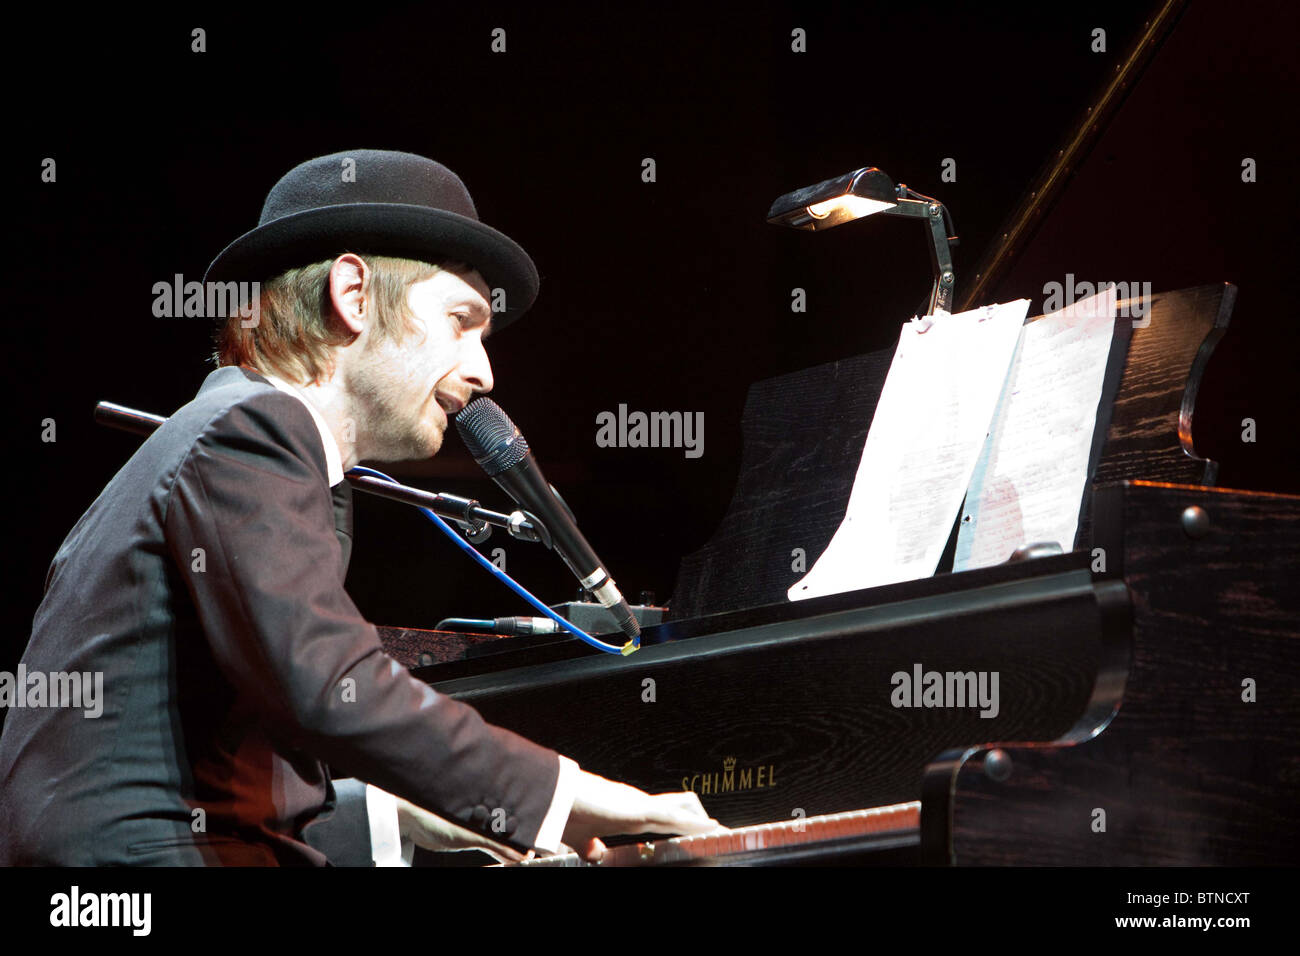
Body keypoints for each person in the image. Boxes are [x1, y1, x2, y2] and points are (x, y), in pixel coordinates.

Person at [0, 149, 715, 865]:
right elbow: (332, 687)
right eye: (461, 321)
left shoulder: (252, 438)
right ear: (353, 294)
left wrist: (391, 814)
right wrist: (600, 796)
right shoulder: (251, 432)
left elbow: (203, 770)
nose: (484, 372)